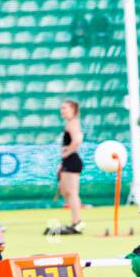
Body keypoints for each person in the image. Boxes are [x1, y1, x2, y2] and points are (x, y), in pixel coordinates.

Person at [56, 99, 84, 234]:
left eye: (65, 108)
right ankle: (75, 221)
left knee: (72, 193)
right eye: (61, 108)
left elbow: (77, 140)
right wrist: (62, 162)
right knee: (65, 191)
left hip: (72, 161)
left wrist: (66, 152)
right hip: (68, 161)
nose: (62, 111)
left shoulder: (73, 123)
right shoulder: (69, 123)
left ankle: (77, 222)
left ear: (73, 109)